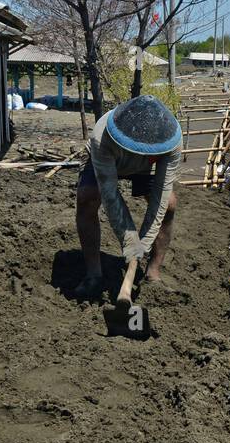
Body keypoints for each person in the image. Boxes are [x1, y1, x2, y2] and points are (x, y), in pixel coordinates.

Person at [74, 95, 182, 298]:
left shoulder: (172, 142)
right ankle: (94, 275)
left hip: (147, 166)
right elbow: (110, 195)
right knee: (87, 197)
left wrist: (143, 244)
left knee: (168, 205)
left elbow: (160, 197)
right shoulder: (102, 135)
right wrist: (131, 244)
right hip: (109, 159)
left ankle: (153, 273)